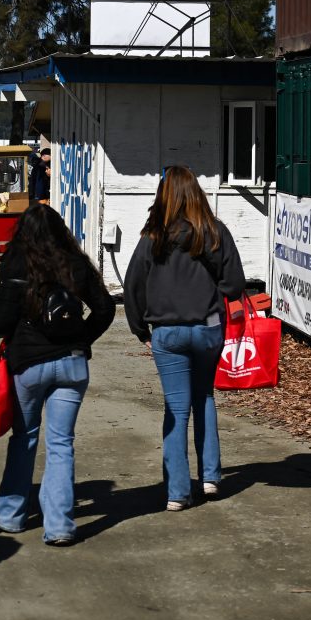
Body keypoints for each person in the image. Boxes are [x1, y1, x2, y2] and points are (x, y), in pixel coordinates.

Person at [123, 166, 248, 511]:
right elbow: (235, 284)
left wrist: (140, 329)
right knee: (204, 396)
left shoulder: (153, 238)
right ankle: (210, 477)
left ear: (164, 195)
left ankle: (177, 493)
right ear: (196, 193)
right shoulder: (215, 232)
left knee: (176, 409)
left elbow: (133, 286)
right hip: (207, 328)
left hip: (167, 331)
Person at [0, 204, 116, 546]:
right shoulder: (74, 262)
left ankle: (11, 516)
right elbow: (105, 308)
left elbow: (2, 322)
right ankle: (60, 525)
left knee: (25, 437)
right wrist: (82, 338)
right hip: (72, 363)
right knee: (61, 443)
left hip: (29, 363)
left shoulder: (16, 262)